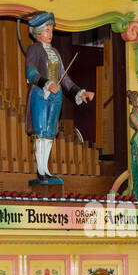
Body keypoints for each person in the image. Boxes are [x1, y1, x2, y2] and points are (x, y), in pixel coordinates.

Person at [23, 11, 93, 186]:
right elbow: (31, 72)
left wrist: (79, 92)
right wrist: (47, 83)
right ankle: (40, 171)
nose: (50, 34)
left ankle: (46, 170)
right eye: (47, 30)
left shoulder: (55, 51)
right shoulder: (34, 49)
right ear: (38, 32)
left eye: (51, 30)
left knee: (50, 131)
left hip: (57, 95)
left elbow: (65, 77)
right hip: (41, 93)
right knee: (41, 132)